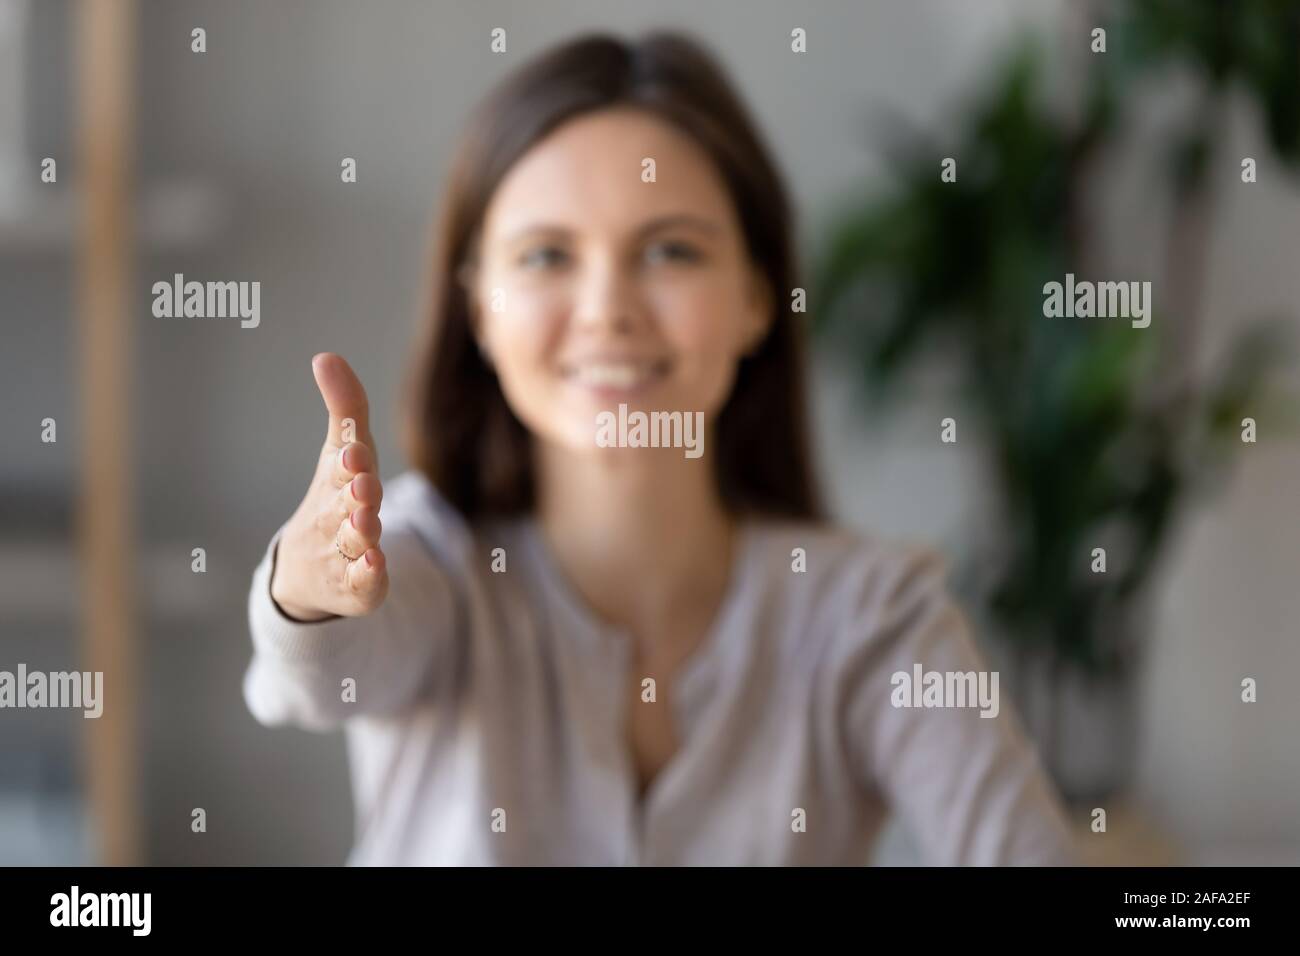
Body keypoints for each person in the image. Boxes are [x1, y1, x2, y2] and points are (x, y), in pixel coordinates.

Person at [243, 31, 1079, 865]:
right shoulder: (438, 563)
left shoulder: (872, 615)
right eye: (545, 256)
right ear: (479, 313)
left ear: (756, 297)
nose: (608, 308)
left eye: (670, 250)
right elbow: (325, 672)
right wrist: (308, 588)